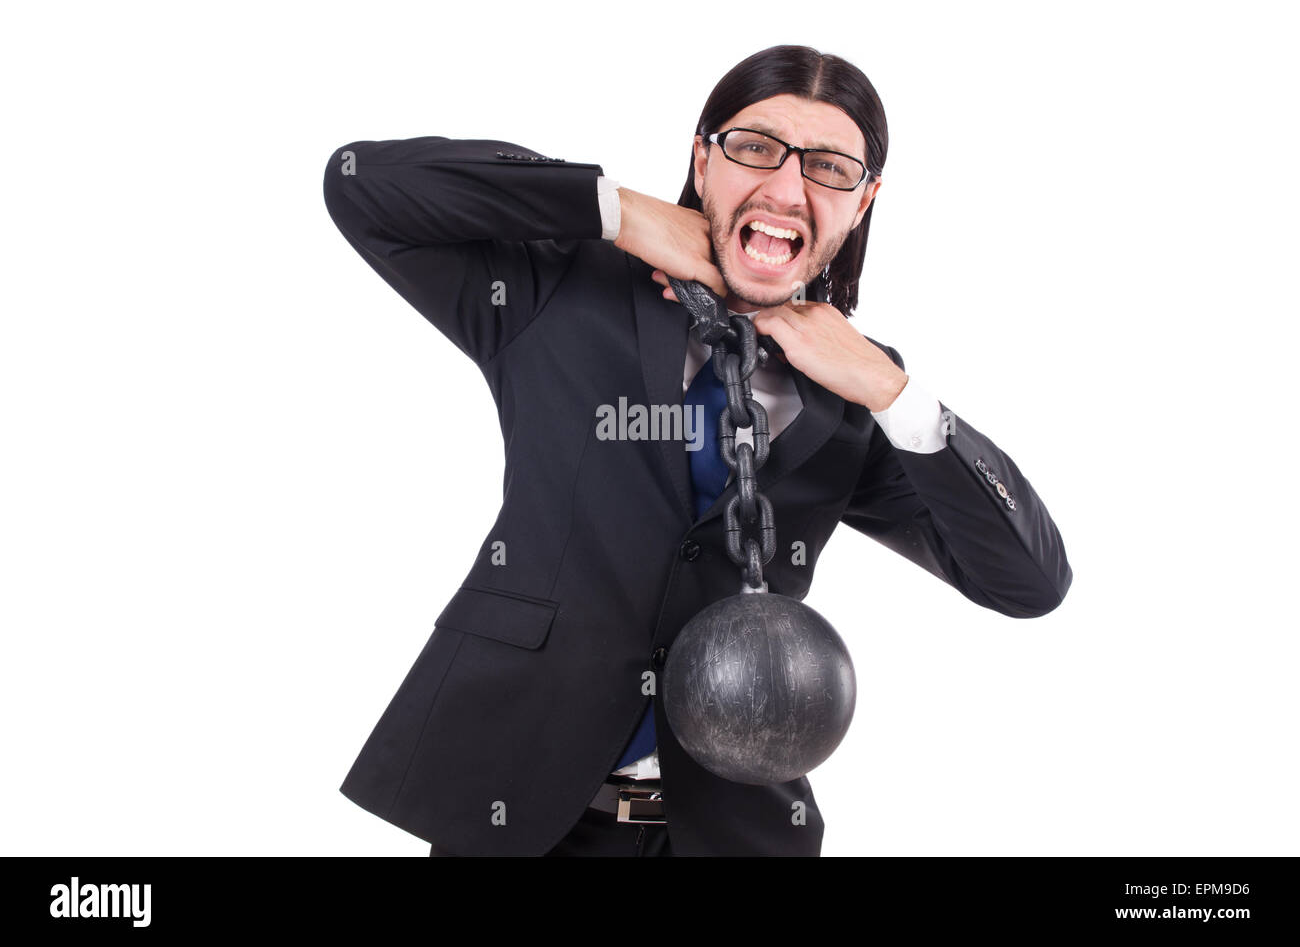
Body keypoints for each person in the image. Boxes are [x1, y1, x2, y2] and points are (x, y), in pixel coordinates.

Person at [322, 44, 1072, 857]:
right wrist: (618, 212)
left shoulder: (851, 399)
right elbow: (362, 185)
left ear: (864, 202)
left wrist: (896, 393)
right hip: (516, 811)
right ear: (703, 158)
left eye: (828, 168)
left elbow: (1028, 581)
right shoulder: (560, 295)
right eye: (755, 148)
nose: (786, 189)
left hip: (728, 835)